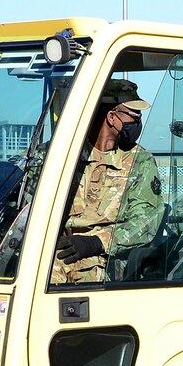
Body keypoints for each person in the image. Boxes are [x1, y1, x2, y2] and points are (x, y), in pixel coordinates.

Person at [53, 79, 162, 283]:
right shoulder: (63, 154)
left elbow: (145, 223)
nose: (138, 121)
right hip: (56, 248)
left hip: (105, 257)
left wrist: (96, 242)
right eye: (134, 115)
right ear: (112, 117)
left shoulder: (140, 161)